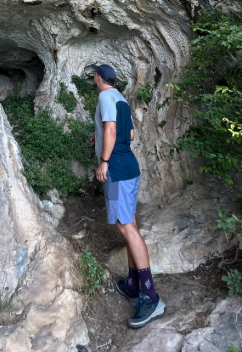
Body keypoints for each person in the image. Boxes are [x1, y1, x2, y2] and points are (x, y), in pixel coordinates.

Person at [91, 63, 165, 328]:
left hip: (117, 171)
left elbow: (112, 131)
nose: (94, 79)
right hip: (129, 167)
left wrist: (104, 160)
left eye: (94, 75)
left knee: (127, 228)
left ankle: (151, 296)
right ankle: (134, 285)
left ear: (98, 77)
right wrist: (99, 138)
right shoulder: (121, 98)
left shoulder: (103, 96)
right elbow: (129, 134)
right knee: (129, 223)